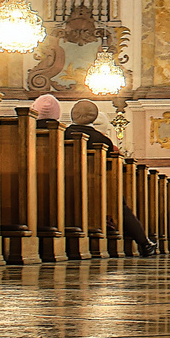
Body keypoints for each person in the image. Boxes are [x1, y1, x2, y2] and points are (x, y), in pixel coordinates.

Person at [66, 100, 157, 256]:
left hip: (65, 187)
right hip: (97, 190)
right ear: (93, 118)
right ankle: (144, 243)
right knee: (119, 204)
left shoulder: (62, 134)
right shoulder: (102, 140)